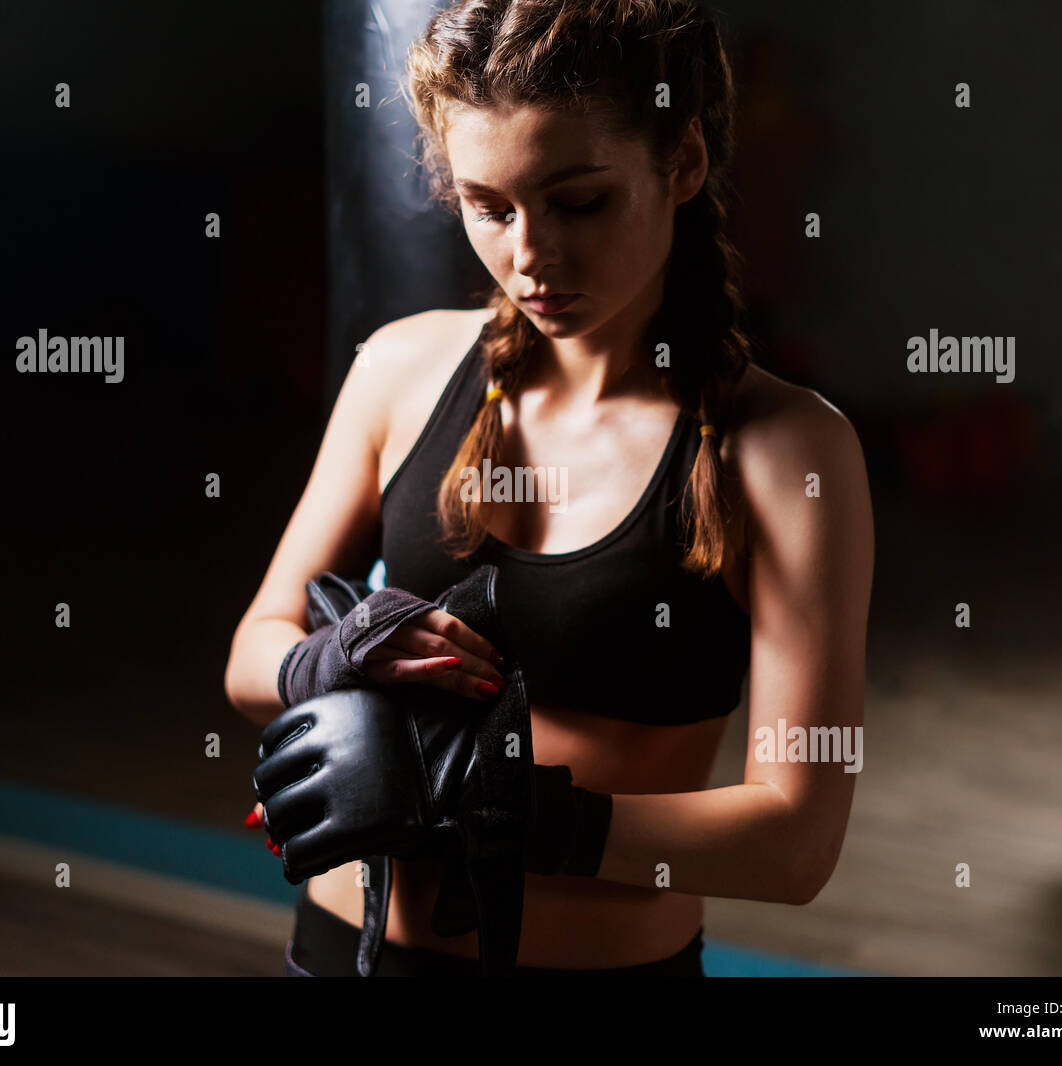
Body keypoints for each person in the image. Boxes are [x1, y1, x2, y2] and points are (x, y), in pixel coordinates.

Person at [224, 0, 873, 977]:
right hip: (341, 951)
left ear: (682, 162)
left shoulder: (787, 452)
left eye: (578, 202)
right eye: (489, 205)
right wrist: (340, 654)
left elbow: (794, 845)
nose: (530, 255)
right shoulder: (400, 370)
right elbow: (251, 652)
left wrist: (499, 805)